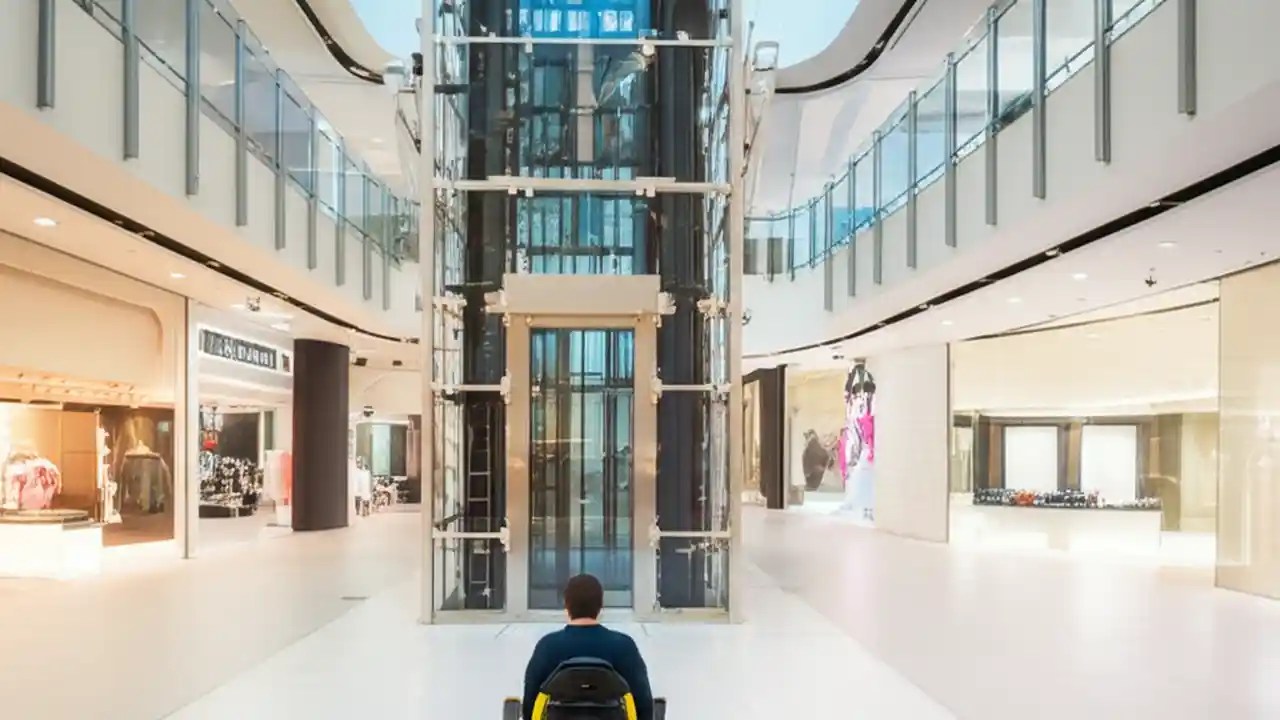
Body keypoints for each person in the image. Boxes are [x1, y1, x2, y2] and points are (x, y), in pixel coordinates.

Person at [521, 574, 654, 720]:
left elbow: (530, 706)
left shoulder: (547, 647)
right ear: (600, 604)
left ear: (566, 603)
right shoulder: (624, 646)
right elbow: (644, 704)